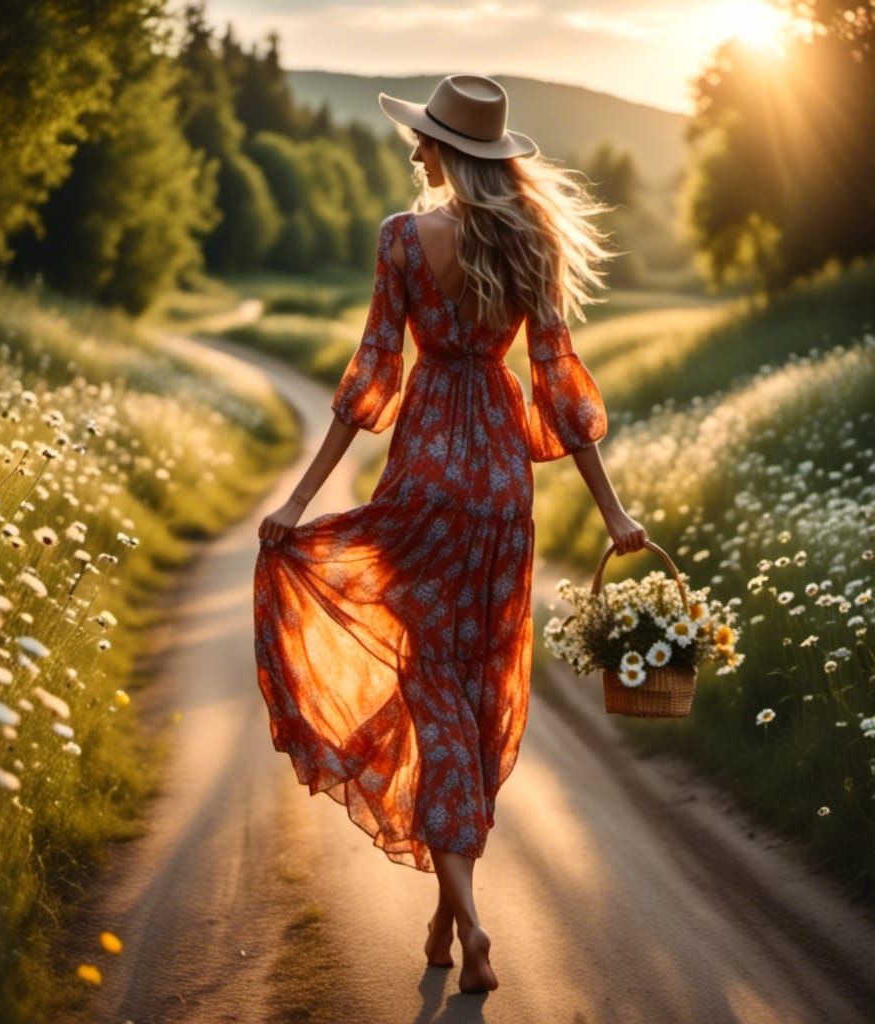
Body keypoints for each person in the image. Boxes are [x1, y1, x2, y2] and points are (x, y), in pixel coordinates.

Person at [253, 74, 648, 995]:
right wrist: (614, 509)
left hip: (428, 477)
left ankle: (465, 918)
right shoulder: (532, 242)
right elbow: (556, 382)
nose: (415, 149)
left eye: (426, 139)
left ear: (446, 153)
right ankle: (446, 919)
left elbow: (370, 379)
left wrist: (301, 501)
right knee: (479, 696)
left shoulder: (401, 238)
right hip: (503, 491)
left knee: (435, 692)